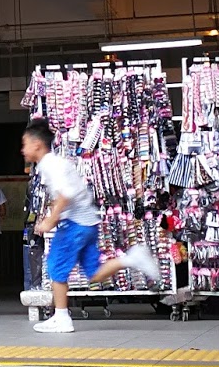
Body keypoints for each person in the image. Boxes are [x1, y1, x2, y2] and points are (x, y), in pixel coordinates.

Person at [21, 120, 159, 334]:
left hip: (74, 225)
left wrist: (51, 220)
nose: (23, 150)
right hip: (88, 223)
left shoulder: (49, 165)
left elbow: (66, 194)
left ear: (37, 144)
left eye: (25, 144)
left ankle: (61, 317)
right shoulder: (55, 163)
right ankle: (132, 259)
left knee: (56, 267)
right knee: (93, 273)